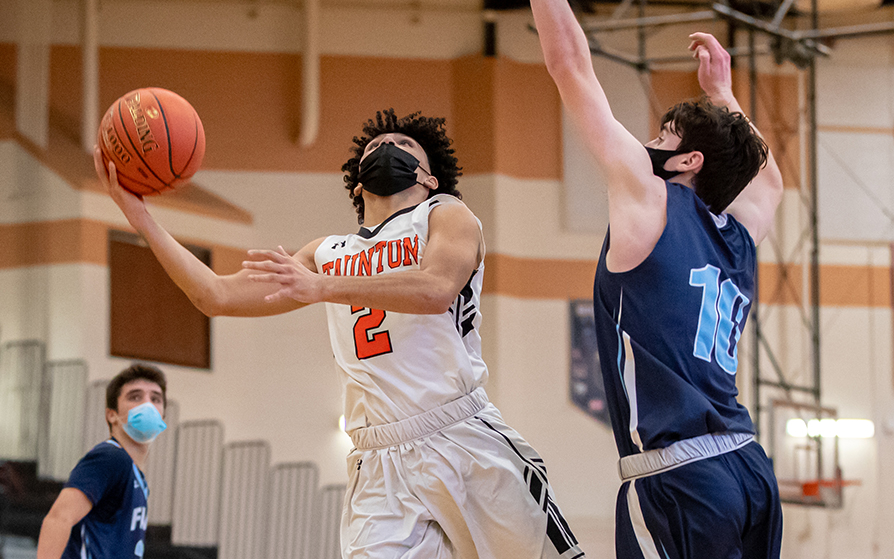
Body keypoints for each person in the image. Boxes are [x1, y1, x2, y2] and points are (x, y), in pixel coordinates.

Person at [93, 109, 584, 559]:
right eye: (376, 146)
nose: (387, 148)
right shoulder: (325, 251)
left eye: (404, 145)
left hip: (461, 436)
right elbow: (215, 297)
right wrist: (137, 213)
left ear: (430, 177)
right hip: (377, 462)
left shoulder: (444, 214)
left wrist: (322, 286)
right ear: (355, 185)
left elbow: (436, 288)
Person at [523, 0, 785, 557]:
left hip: (681, 476)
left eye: (665, 134)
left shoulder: (649, 197)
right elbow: (767, 181)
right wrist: (723, 95)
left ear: (689, 161)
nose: (649, 141)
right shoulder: (740, 234)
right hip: (748, 468)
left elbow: (569, 66)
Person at [37, 364, 167, 559]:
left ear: (163, 414)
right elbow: (59, 518)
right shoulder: (111, 457)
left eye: (155, 399)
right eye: (135, 397)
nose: (147, 404)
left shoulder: (135, 475)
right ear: (111, 415)